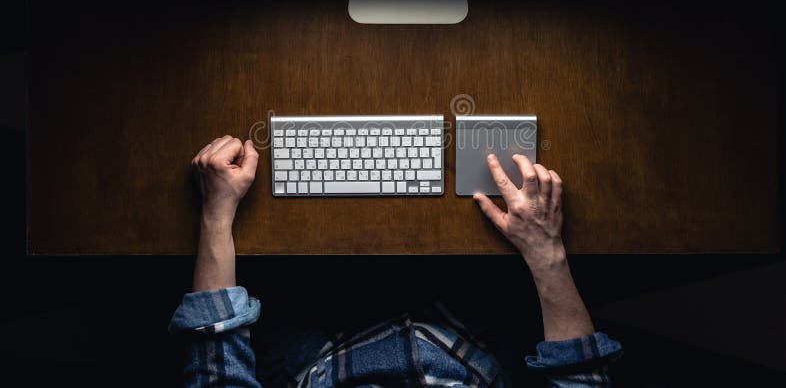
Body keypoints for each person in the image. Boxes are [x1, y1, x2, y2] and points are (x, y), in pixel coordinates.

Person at [169, 135, 623, 387]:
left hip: (319, 350)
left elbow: (216, 368)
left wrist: (215, 212)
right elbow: (582, 381)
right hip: (473, 342)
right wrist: (545, 250)